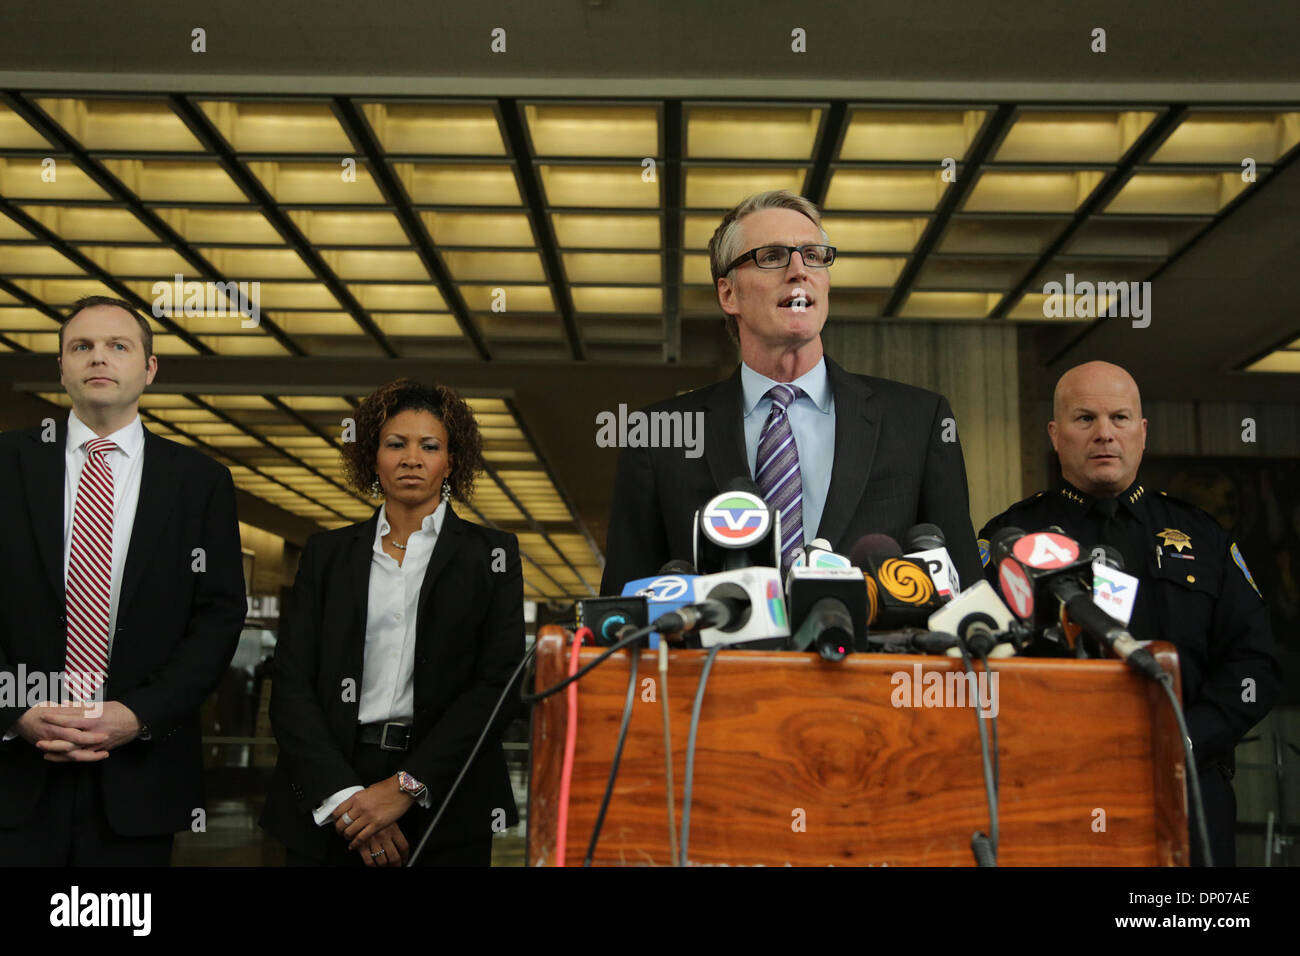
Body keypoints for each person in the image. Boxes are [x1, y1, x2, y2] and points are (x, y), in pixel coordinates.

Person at [600, 189, 981, 594]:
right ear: (728, 294)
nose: (799, 270)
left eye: (813, 256)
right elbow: (625, 609)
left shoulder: (920, 420)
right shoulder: (659, 435)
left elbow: (967, 593)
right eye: (772, 256)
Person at [979, 360, 1280, 866]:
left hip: (1188, 787)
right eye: (1084, 419)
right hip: (1056, 788)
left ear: (1141, 433)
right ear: (1055, 434)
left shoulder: (1201, 535)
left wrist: (1183, 739)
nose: (1104, 435)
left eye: (1119, 418)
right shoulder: (1012, 538)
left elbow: (1256, 665)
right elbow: (980, 663)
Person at [0, 295, 246, 866]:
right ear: (60, 367)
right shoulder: (7, 464)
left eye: (118, 345)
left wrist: (139, 715)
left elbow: (218, 618)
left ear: (149, 368)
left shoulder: (200, 482)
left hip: (141, 777)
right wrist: (15, 711)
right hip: (13, 773)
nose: (97, 358)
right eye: (80, 347)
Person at [260, 379, 524, 867]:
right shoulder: (327, 555)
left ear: (452, 460)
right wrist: (344, 799)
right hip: (330, 788)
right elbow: (293, 684)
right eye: (395, 444)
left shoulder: (492, 555)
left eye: (430, 446)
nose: (411, 458)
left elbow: (499, 684)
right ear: (372, 457)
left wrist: (406, 786)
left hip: (445, 790)